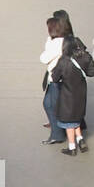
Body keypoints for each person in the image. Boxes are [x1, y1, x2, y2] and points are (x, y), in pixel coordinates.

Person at [51, 35, 92, 156]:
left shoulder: (63, 61)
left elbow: (55, 78)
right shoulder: (85, 58)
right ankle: (80, 139)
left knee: (69, 122)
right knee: (76, 117)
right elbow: (92, 72)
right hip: (81, 93)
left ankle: (72, 147)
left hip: (67, 95)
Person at [40, 16, 66, 144]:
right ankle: (57, 131)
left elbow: (44, 58)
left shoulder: (56, 44)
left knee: (51, 105)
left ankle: (57, 134)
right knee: (48, 103)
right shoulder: (61, 41)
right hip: (55, 78)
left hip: (56, 78)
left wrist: (48, 43)